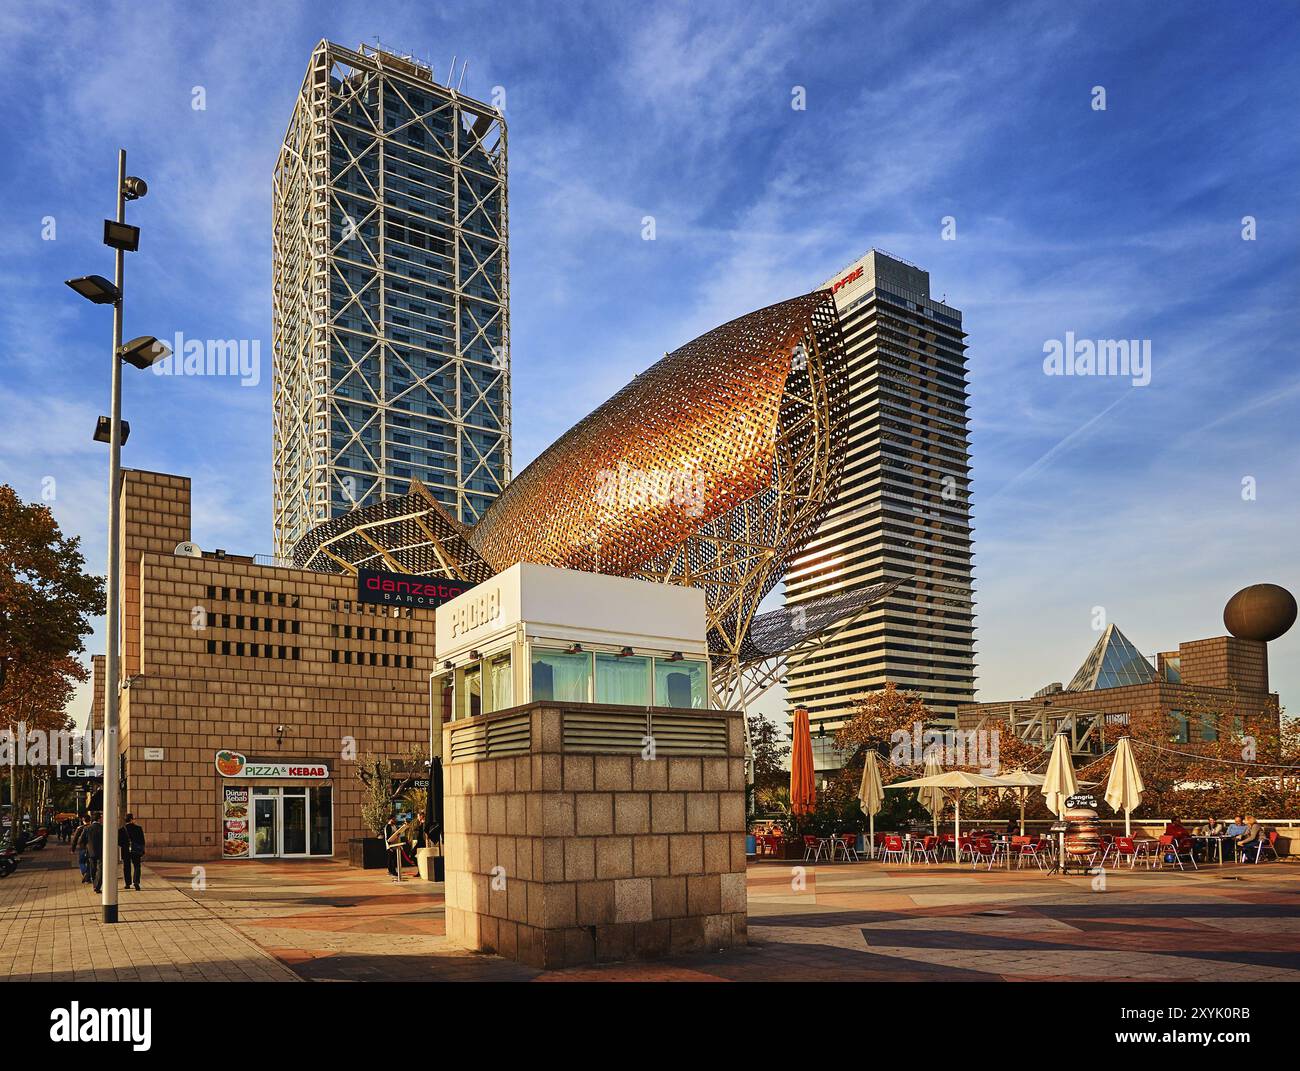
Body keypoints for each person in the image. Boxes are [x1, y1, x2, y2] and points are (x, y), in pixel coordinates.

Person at [118, 813, 145, 891]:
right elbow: (142, 840)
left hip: (125, 851)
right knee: (137, 866)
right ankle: (136, 882)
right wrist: (142, 850)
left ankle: (127, 883)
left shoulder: (121, 830)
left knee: (126, 867)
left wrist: (124, 845)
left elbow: (119, 842)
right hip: (136, 850)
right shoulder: (138, 828)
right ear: (131, 819)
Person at [85, 813, 105, 893]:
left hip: (91, 852)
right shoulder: (103, 828)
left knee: (93, 868)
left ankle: (94, 883)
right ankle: (97, 886)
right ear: (99, 819)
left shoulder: (87, 828)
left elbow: (82, 840)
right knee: (100, 869)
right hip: (101, 851)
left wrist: (87, 847)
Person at [71, 815, 92, 882]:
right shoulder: (92, 827)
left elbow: (75, 839)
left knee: (81, 862)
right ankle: (88, 876)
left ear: (83, 821)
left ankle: (85, 872)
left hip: (83, 848)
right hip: (91, 848)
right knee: (89, 863)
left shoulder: (80, 828)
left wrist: (73, 849)